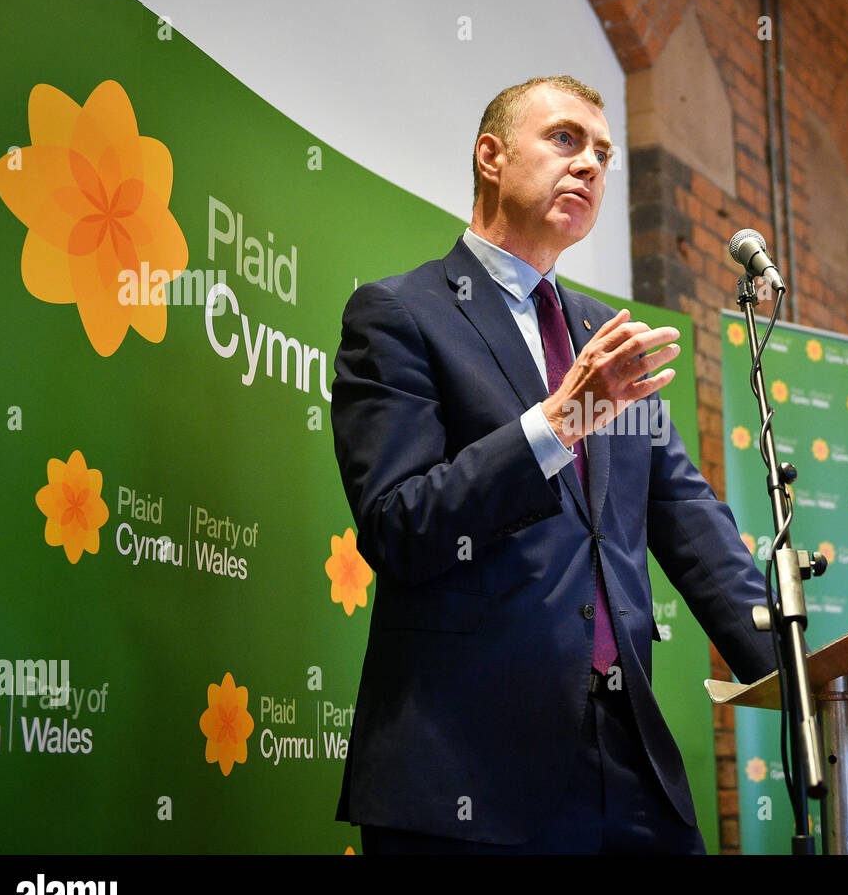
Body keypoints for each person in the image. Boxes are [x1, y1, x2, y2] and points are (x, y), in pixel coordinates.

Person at [330, 75, 775, 853]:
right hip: (466, 768)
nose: (592, 165)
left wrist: (810, 678)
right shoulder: (400, 315)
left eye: (604, 153)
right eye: (566, 140)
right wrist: (561, 420)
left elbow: (692, 525)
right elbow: (399, 525)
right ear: (491, 156)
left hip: (626, 760)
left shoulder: (608, 336)